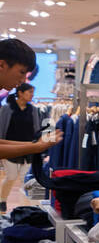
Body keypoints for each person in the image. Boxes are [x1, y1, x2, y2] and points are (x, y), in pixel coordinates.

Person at [0, 40, 61, 180]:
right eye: (21, 72)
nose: (23, 80)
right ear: (2, 65)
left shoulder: (33, 109)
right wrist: (35, 147)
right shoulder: (8, 108)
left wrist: (35, 145)